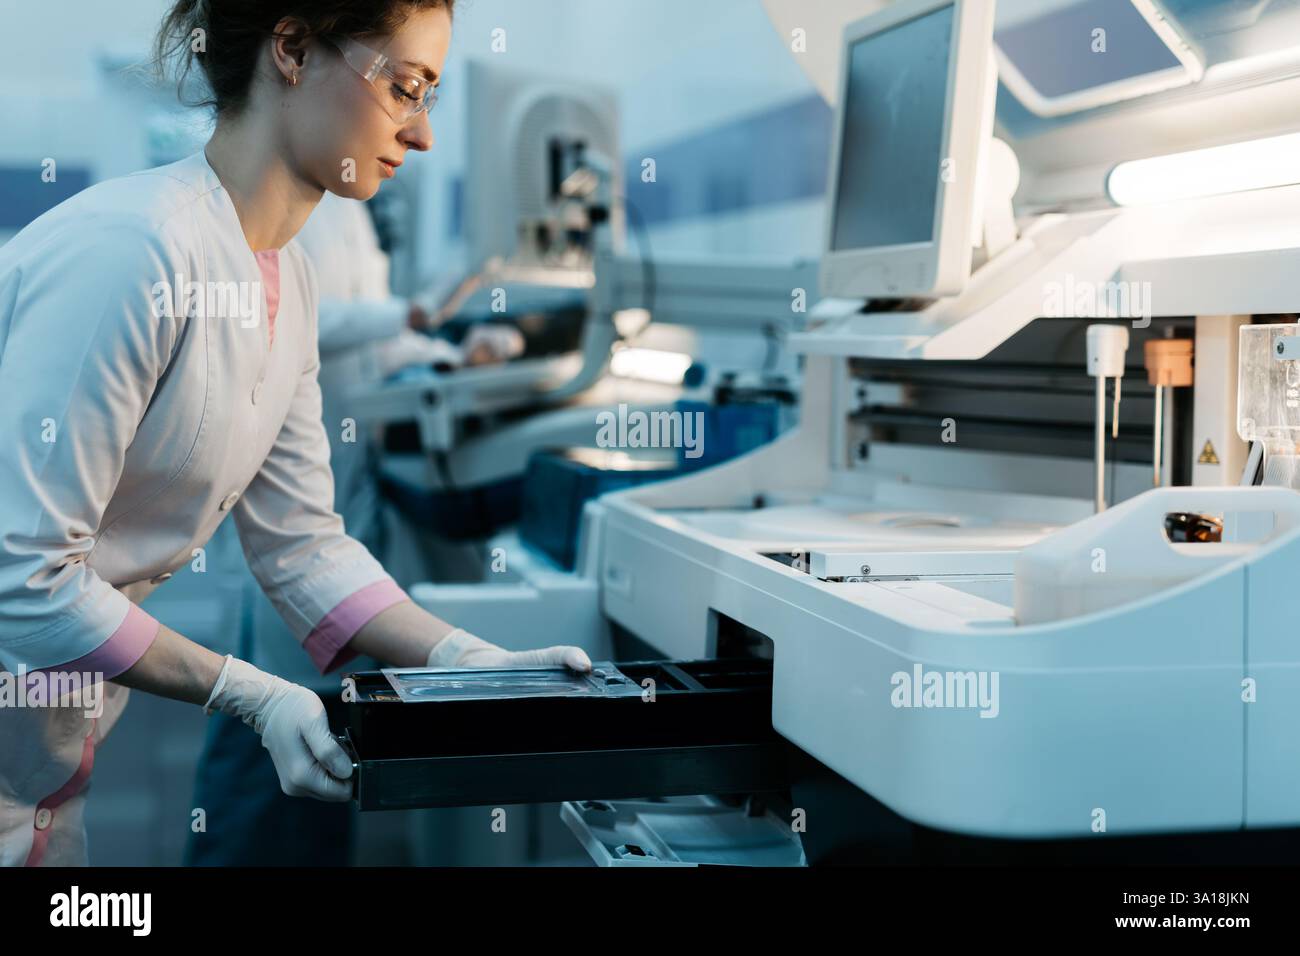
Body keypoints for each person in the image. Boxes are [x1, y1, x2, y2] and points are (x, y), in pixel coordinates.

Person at [0, 0, 589, 868]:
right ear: (292, 49)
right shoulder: (136, 248)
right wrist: (254, 696)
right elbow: (26, 579)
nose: (421, 135)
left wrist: (465, 660)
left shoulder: (288, 280)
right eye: (407, 87)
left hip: (41, 760)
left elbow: (304, 545)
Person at [185, 191, 521, 866]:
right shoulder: (268, 201)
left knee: (320, 757)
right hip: (282, 530)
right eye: (405, 88)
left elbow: (375, 344)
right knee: (265, 756)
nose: (417, 129)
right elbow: (294, 318)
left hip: (333, 516)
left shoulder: (354, 206)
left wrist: (449, 355)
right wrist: (408, 312)